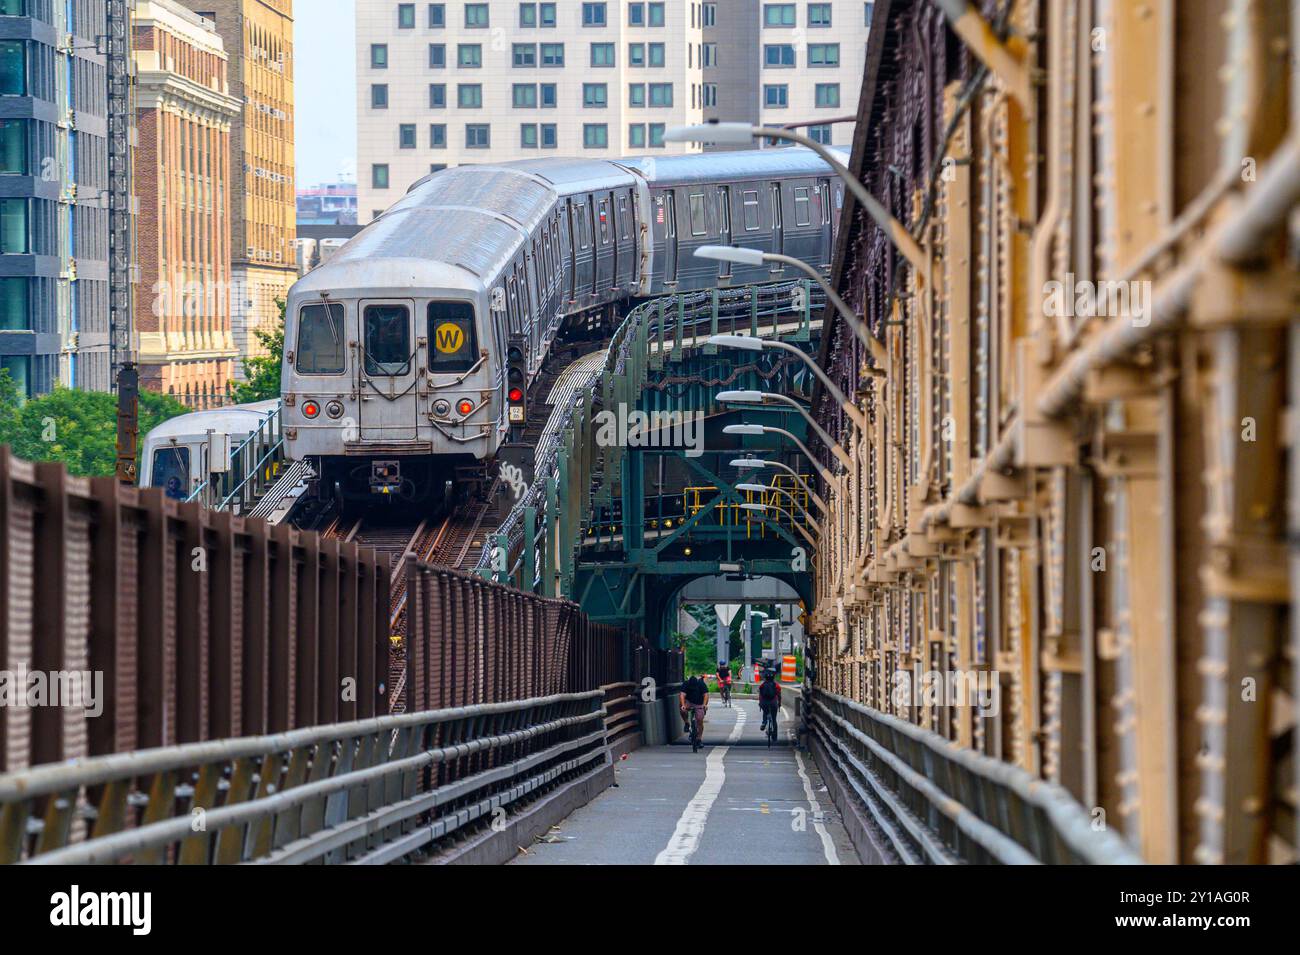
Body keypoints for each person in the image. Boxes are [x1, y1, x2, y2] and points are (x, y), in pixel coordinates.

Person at [680, 673, 709, 740]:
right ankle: (686, 722)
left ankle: (699, 738)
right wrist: (683, 705)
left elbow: (706, 695)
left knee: (700, 720)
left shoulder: (701, 684)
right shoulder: (686, 684)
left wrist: (704, 705)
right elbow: (682, 695)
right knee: (682, 709)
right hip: (689, 701)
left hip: (699, 702)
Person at [758, 666, 782, 732]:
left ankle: (764, 723)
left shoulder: (762, 685)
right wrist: (779, 704)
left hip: (764, 703)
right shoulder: (776, 685)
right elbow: (779, 696)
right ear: (773, 677)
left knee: (765, 712)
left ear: (765, 677)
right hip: (773, 703)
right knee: (774, 719)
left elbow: (760, 696)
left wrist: (760, 703)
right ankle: (774, 735)